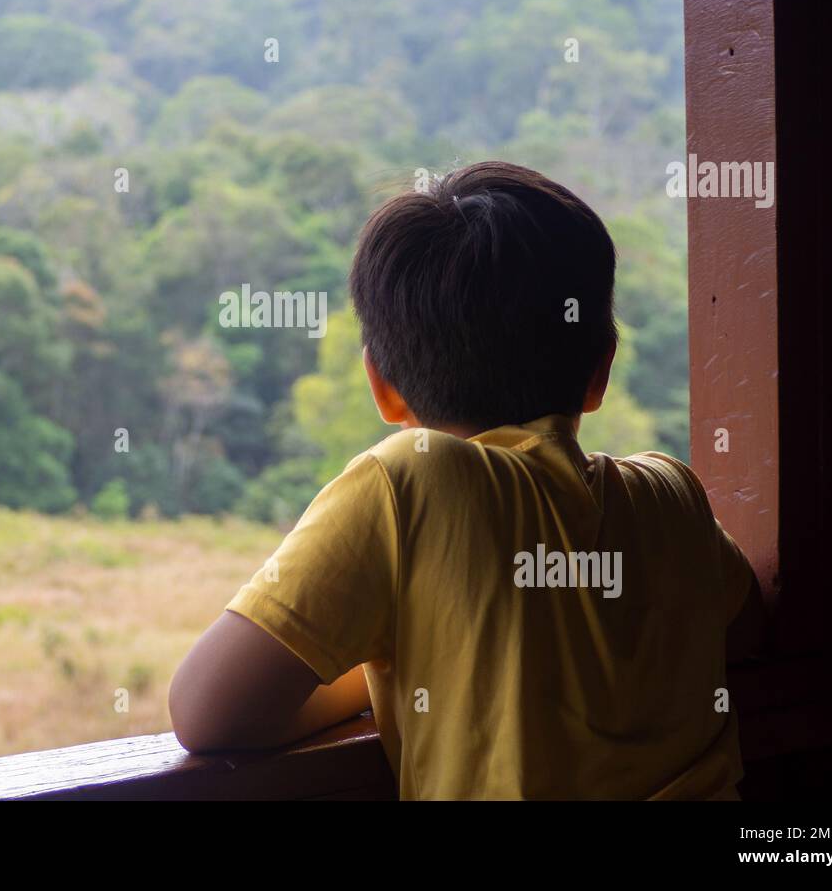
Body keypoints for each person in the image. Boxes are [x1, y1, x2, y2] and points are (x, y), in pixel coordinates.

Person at [169, 161, 764, 800]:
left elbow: (205, 710)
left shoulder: (408, 480)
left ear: (381, 386)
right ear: (601, 370)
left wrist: (380, 667)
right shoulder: (670, 493)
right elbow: (747, 628)